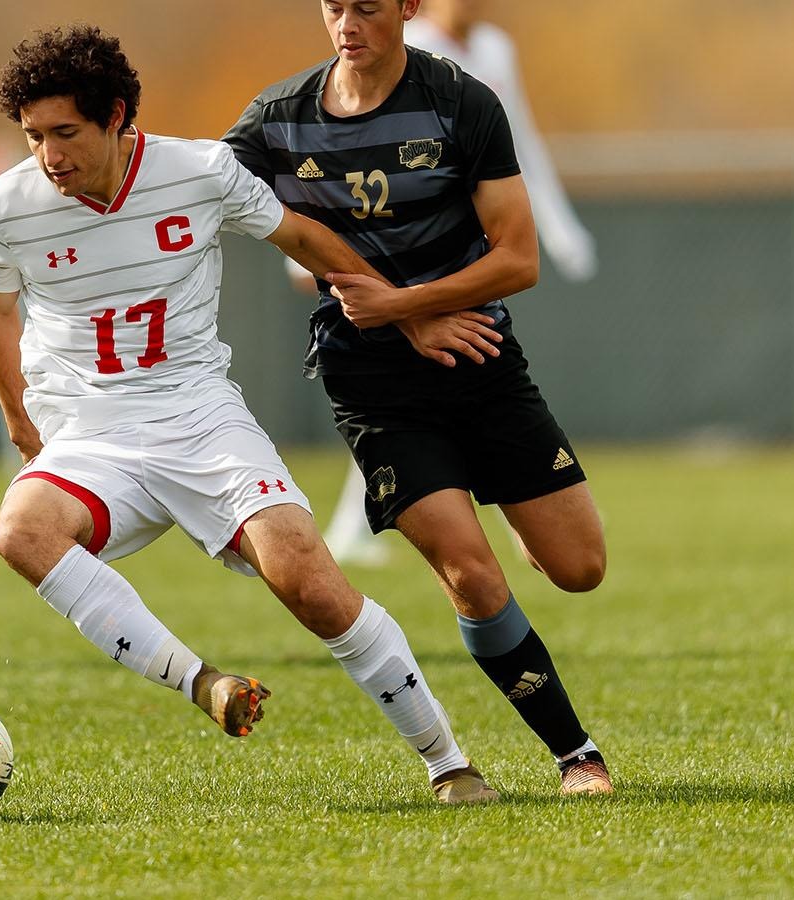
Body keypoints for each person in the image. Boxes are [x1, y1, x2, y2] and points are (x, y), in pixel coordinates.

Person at [0, 25, 504, 804]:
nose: (49, 156)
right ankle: (202, 682)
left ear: (115, 116)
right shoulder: (6, 206)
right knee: (20, 530)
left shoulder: (200, 172)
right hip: (91, 434)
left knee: (308, 581)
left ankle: (448, 762)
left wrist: (408, 315)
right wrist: (23, 424)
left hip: (198, 415)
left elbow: (306, 238)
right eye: (33, 136)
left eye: (65, 132)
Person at [224, 0, 613, 795]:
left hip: (478, 354)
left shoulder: (461, 102)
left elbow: (519, 258)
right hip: (371, 383)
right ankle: (576, 754)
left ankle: (513, 518)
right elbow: (192, 187)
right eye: (333, 6)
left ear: (407, 7)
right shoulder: (279, 118)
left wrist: (407, 306)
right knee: (471, 573)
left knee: (579, 568)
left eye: (366, 6)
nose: (346, 23)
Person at [320, 0, 600, 566]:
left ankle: (518, 496)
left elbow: (521, 141)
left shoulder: (495, 49)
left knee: (469, 373)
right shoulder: (397, 41)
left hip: (473, 249)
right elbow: (339, 136)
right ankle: (354, 526)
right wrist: (313, 258)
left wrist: (559, 225)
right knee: (397, 402)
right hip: (399, 249)